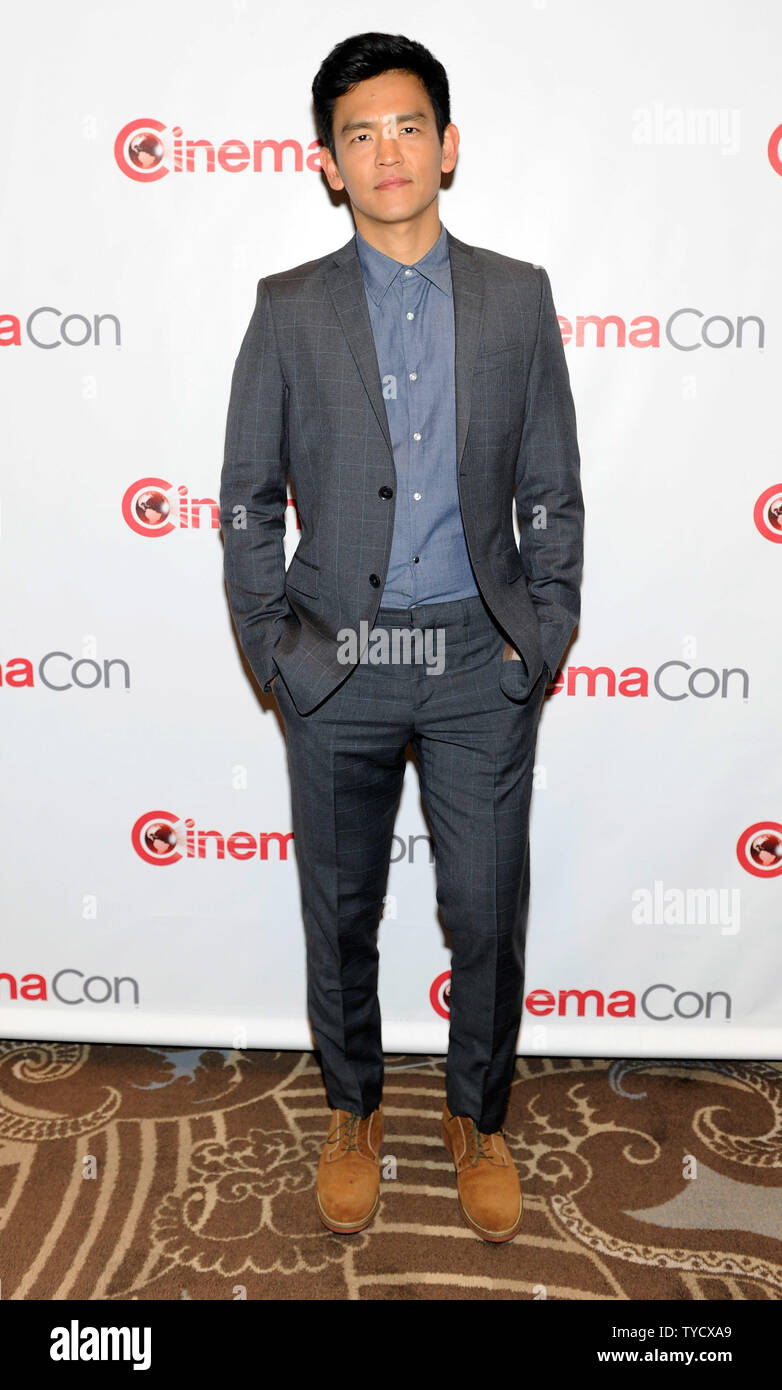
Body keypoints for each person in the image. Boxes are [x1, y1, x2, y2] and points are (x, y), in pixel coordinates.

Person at [220, 31, 584, 1243]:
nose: (387, 152)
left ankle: (477, 1116)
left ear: (448, 144)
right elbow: (244, 498)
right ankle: (354, 1109)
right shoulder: (286, 310)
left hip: (480, 663)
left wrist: (542, 630)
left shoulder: (517, 296)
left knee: (484, 908)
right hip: (338, 666)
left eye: (407, 126)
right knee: (342, 907)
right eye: (359, 134)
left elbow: (550, 485)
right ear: (328, 163)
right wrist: (277, 651)